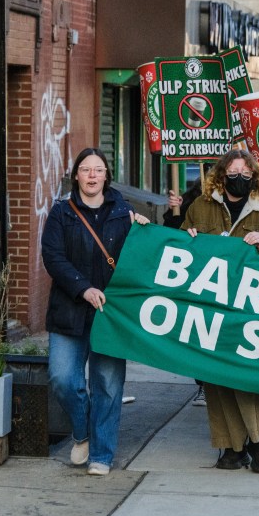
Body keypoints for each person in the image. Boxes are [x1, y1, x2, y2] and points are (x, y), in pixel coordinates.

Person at [183, 148, 259, 473]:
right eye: (233, 173)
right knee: (217, 381)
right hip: (213, 307)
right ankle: (231, 448)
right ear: (221, 174)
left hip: (251, 309)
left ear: (255, 177)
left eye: (247, 175)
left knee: (248, 379)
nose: (240, 179)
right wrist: (187, 237)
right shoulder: (200, 207)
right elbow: (179, 250)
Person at [41, 148, 150, 477]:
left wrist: (146, 232)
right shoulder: (62, 213)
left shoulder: (124, 213)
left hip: (110, 314)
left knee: (107, 384)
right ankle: (83, 431)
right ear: (76, 175)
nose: (91, 175)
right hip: (69, 309)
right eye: (85, 169)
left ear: (106, 176)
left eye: (98, 170)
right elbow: (53, 256)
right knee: (62, 379)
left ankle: (101, 454)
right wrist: (83, 288)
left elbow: (143, 258)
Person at [164, 178, 208, 407]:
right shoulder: (191, 201)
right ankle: (203, 384)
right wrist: (175, 211)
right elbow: (172, 236)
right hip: (197, 279)